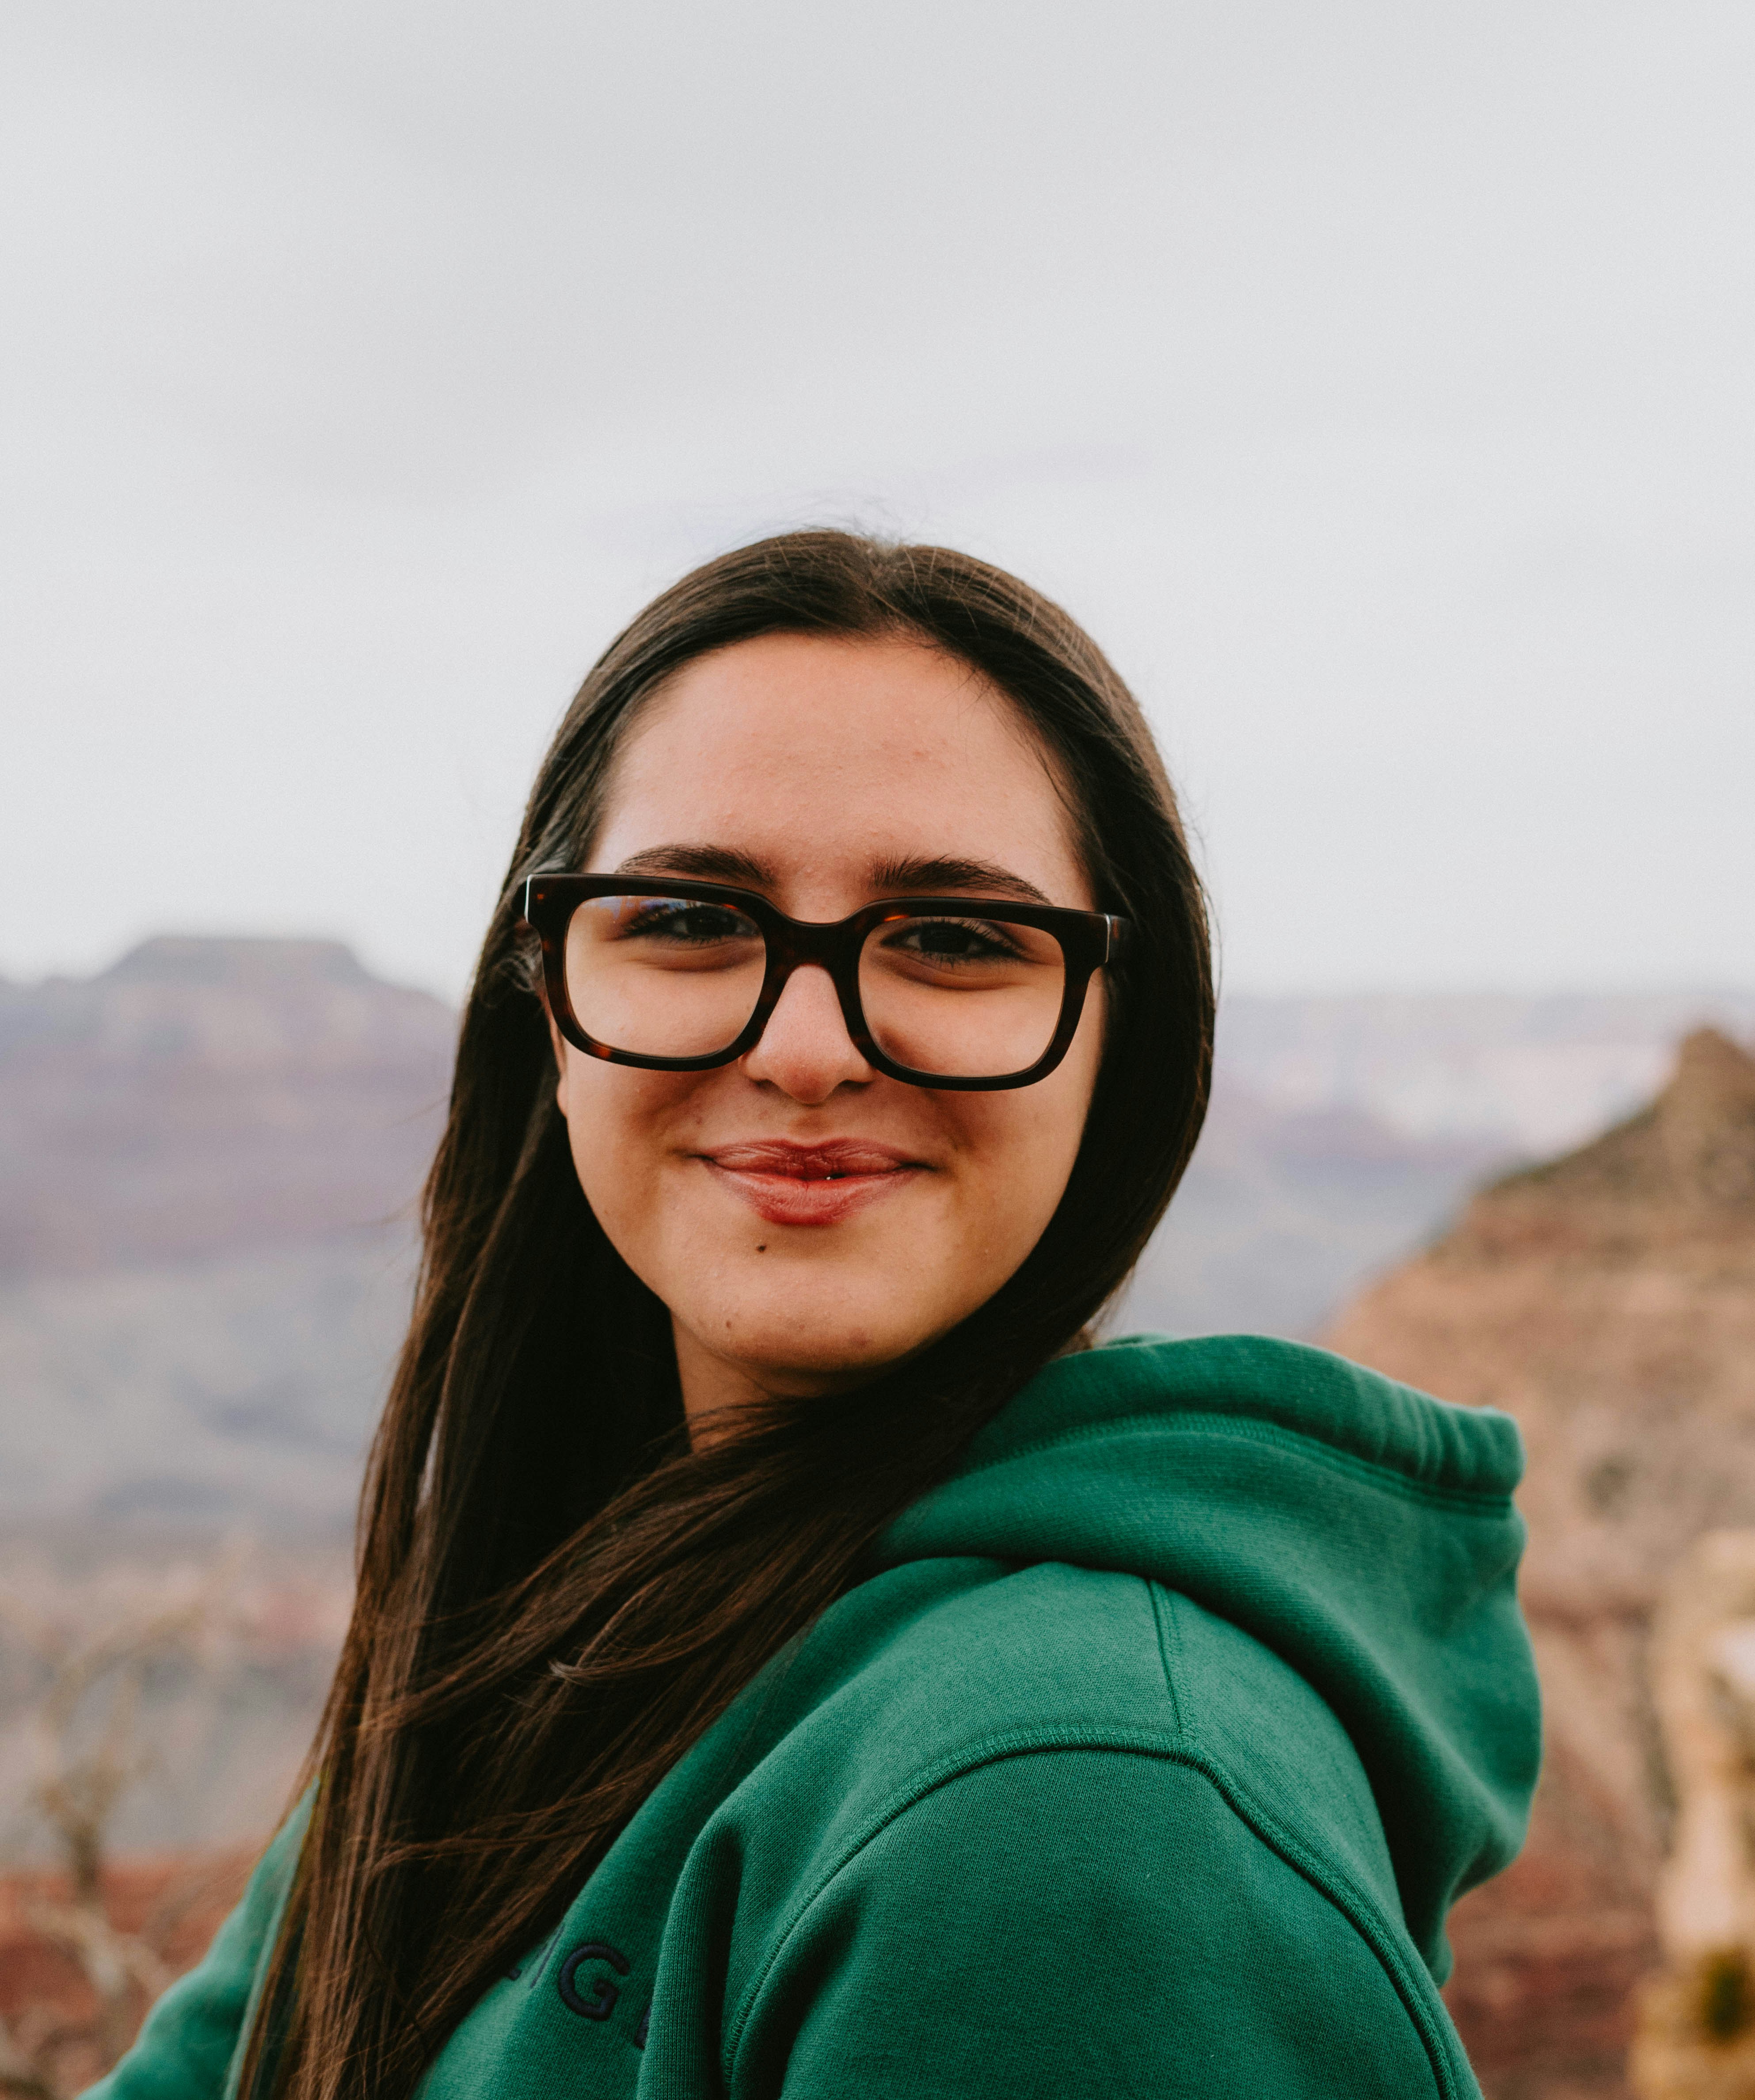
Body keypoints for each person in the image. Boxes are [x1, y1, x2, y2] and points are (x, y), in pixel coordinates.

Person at [91, 531, 1537, 2100]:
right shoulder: (570, 1623)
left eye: (955, 936)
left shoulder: (1074, 1806)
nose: (802, 1045)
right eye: (687, 917)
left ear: (1122, 1034)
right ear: (546, 1004)